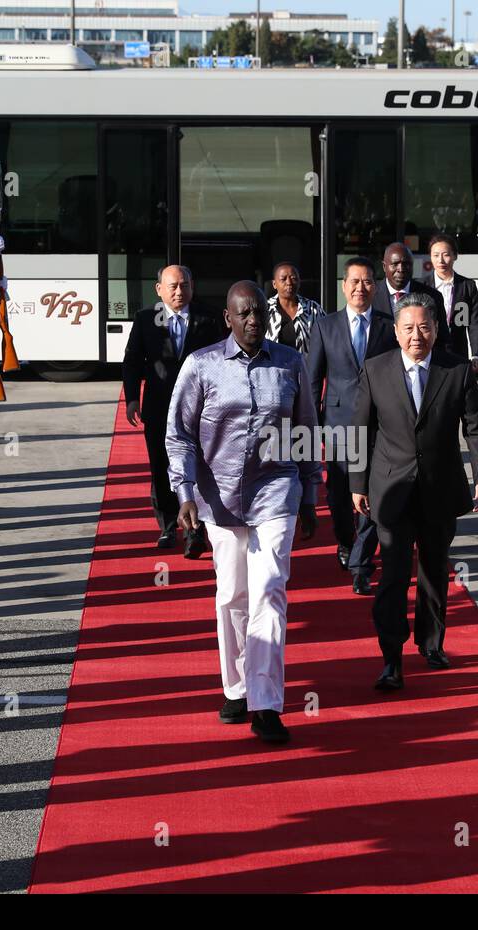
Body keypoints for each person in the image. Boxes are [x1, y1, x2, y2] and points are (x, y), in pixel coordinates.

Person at [165, 281, 320, 744]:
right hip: (220, 498)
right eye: (244, 314)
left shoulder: (290, 363)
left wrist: (311, 494)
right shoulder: (201, 365)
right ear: (228, 319)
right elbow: (179, 435)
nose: (254, 321)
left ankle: (267, 703)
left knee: (270, 593)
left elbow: (307, 430)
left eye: (258, 313)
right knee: (232, 595)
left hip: (276, 492)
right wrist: (185, 492)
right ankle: (235, 688)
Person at [350, 293, 478, 691]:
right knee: (394, 574)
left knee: (434, 570)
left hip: (439, 487)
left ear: (435, 329)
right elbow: (359, 431)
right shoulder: (375, 369)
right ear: (396, 333)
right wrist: (357, 484)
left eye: (424, 327)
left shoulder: (456, 370)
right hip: (390, 488)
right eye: (409, 328)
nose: (417, 335)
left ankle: (432, 644)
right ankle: (391, 658)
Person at [307, 257, 396, 594]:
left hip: (381, 424)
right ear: (343, 286)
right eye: (355, 282)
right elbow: (314, 381)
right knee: (341, 492)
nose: (361, 288)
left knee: (374, 490)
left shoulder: (390, 326)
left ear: (376, 285)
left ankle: (361, 557)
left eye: (368, 281)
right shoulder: (325, 326)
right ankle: (346, 543)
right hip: (339, 425)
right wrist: (312, 427)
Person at [122, 265, 222, 554]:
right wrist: (132, 399)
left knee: (200, 467)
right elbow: (131, 362)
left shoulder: (209, 317)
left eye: (185, 285)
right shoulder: (144, 319)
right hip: (158, 409)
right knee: (162, 467)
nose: (180, 292)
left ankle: (196, 530)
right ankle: (168, 526)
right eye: (173, 286)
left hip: (202, 410)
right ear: (159, 290)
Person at [372, 243, 450, 352]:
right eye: (395, 264)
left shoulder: (432, 297)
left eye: (406, 264)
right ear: (384, 267)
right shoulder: (370, 296)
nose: (401, 269)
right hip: (381, 366)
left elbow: (442, 340)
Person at [422, 234, 478, 369]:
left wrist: (476, 355)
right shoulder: (422, 286)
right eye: (436, 255)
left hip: (458, 352)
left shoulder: (467, 286)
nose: (441, 260)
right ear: (430, 257)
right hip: (430, 352)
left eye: (446, 255)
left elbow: (474, 323)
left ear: (455, 256)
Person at [265, 262, 324, 354]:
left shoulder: (313, 309)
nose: (289, 283)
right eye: (283, 279)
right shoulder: (265, 309)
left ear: (299, 282)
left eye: (293, 278)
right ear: (274, 284)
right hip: (273, 367)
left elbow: (326, 338)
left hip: (304, 367)